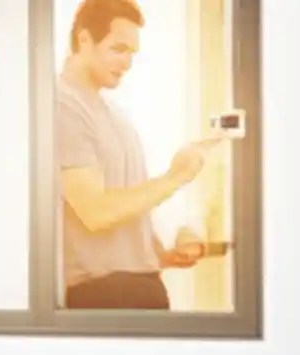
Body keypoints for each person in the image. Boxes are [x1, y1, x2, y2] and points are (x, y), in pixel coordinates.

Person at [57, 0, 221, 309]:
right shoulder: (63, 107)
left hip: (140, 290)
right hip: (103, 297)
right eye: (118, 49)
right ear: (84, 40)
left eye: (132, 53)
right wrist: (177, 176)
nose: (127, 63)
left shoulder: (114, 115)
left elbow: (122, 215)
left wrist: (161, 253)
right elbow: (96, 211)